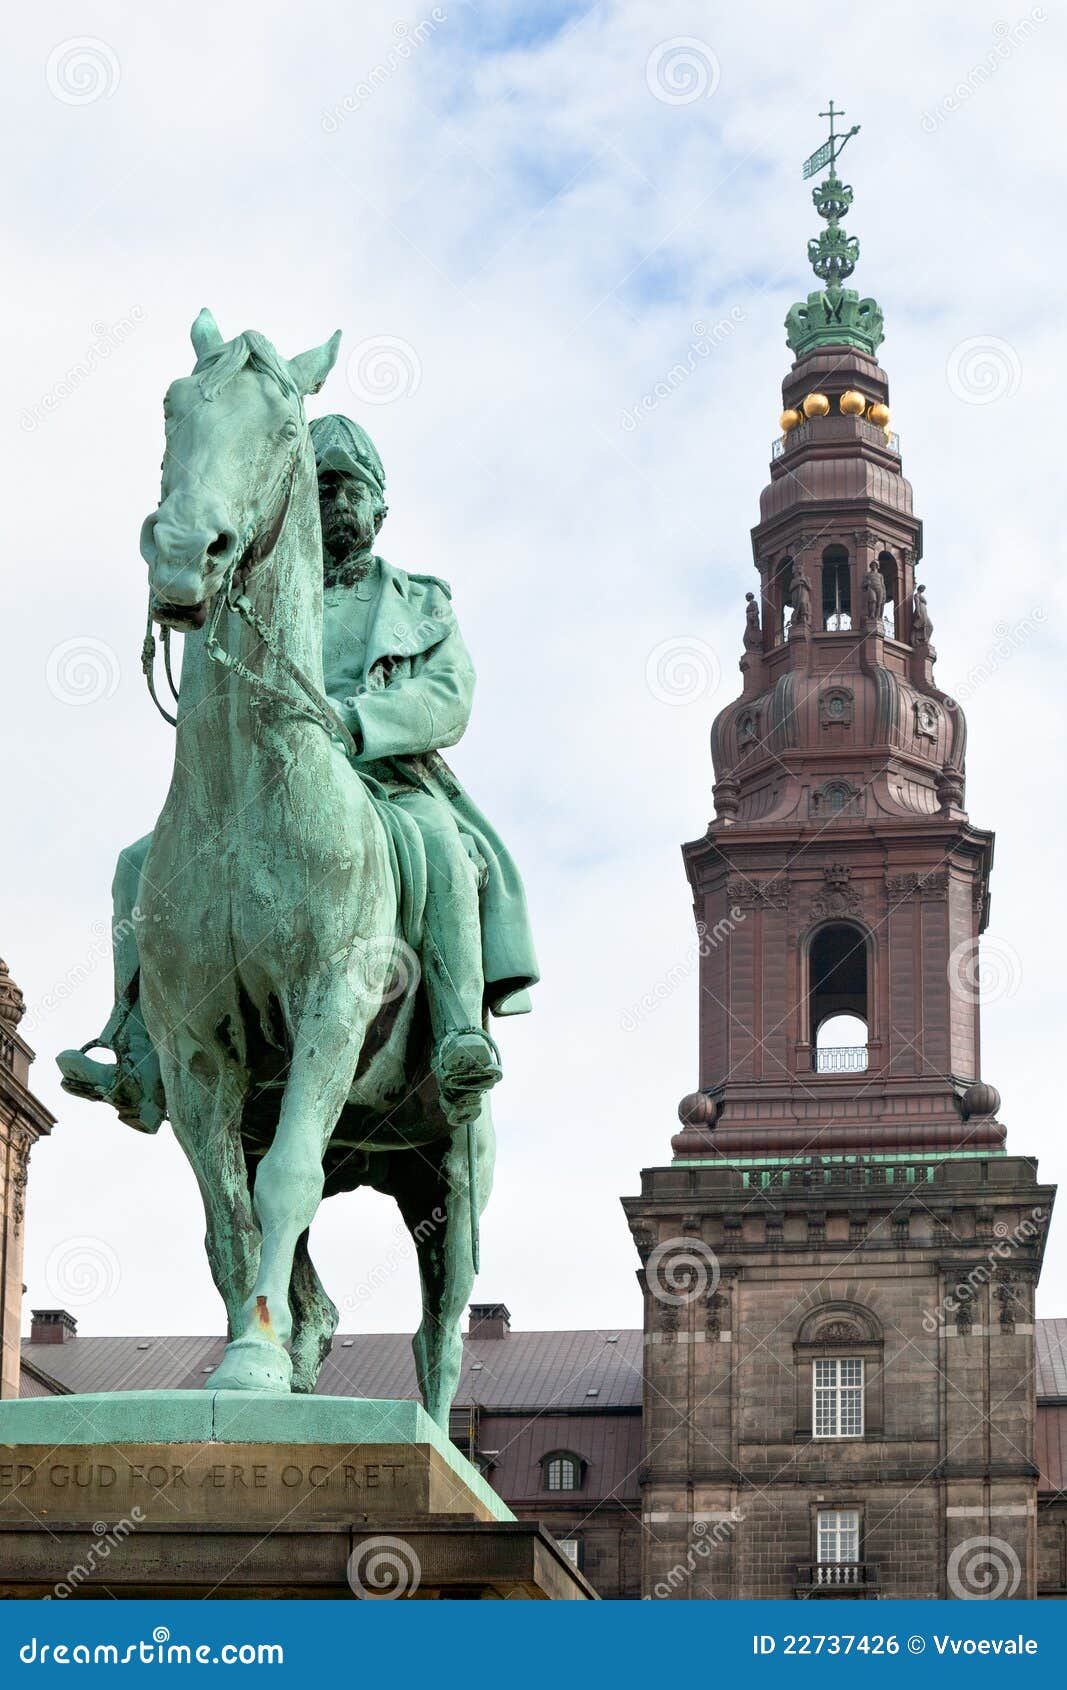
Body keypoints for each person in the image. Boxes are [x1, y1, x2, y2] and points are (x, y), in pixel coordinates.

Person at [58, 415, 538, 1130]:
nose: (337, 503)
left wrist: (356, 722)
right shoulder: (259, 597)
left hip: (386, 782)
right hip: (267, 787)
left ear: (380, 508)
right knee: (140, 864)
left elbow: (447, 696)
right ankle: (137, 1047)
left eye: (352, 490)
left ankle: (457, 1033)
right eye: (323, 490)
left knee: (442, 843)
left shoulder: (421, 601)